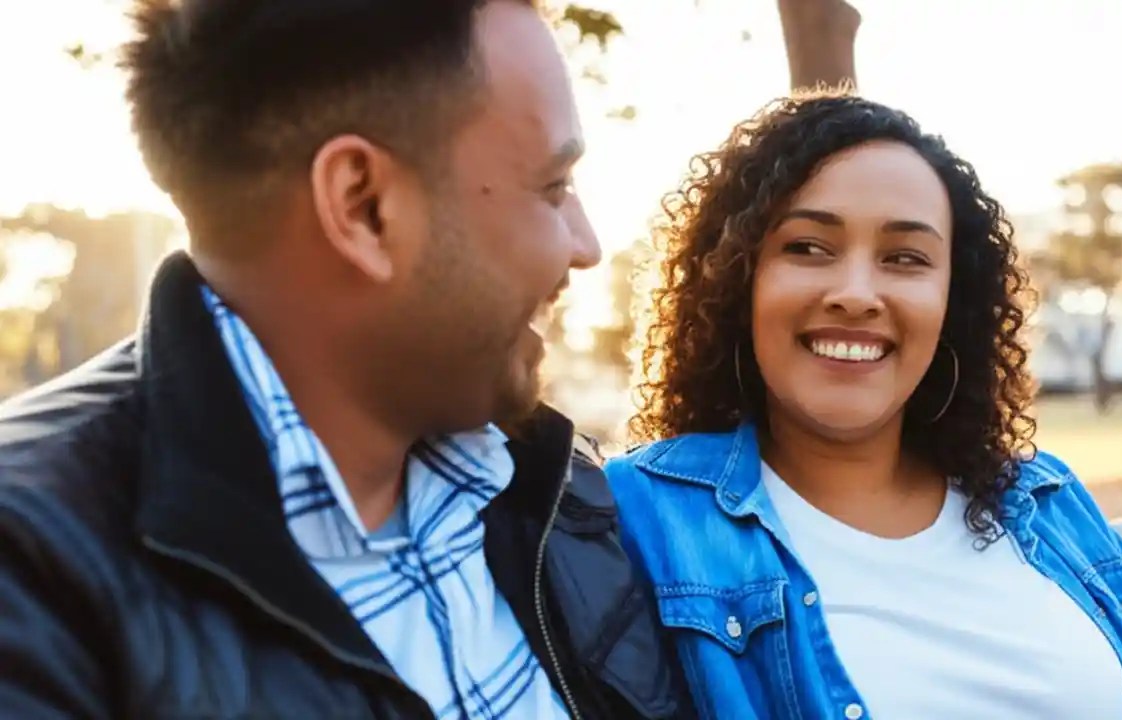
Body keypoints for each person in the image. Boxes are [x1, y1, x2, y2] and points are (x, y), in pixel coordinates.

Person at [0, 1, 690, 718]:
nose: (586, 245)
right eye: (554, 188)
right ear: (364, 207)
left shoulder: (551, 492)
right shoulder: (35, 579)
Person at [606, 91, 1122, 720]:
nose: (856, 294)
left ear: (950, 302)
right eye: (808, 248)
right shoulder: (644, 513)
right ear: (740, 279)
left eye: (905, 258)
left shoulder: (1044, 497)